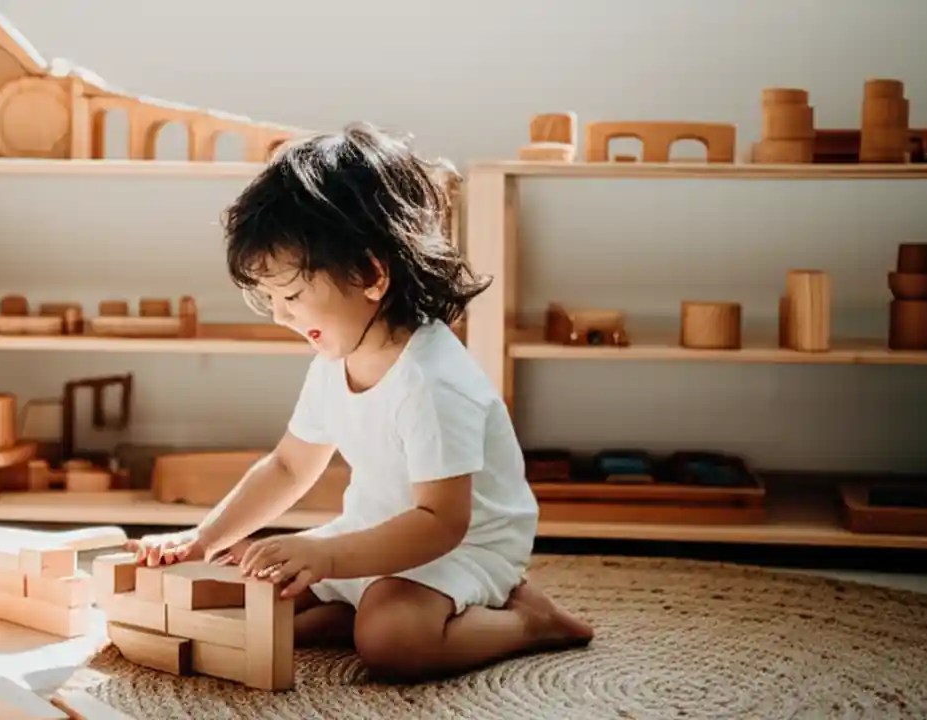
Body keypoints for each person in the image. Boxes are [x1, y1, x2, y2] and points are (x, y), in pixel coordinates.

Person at [125, 122, 593, 681]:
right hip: (373, 532)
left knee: (391, 641)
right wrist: (204, 539)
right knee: (247, 593)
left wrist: (326, 558)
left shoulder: (432, 382)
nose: (280, 315)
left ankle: (531, 622)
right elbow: (288, 466)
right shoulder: (335, 358)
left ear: (372, 274)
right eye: (271, 298)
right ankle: (345, 607)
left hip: (460, 546)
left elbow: (440, 522)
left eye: (293, 295)